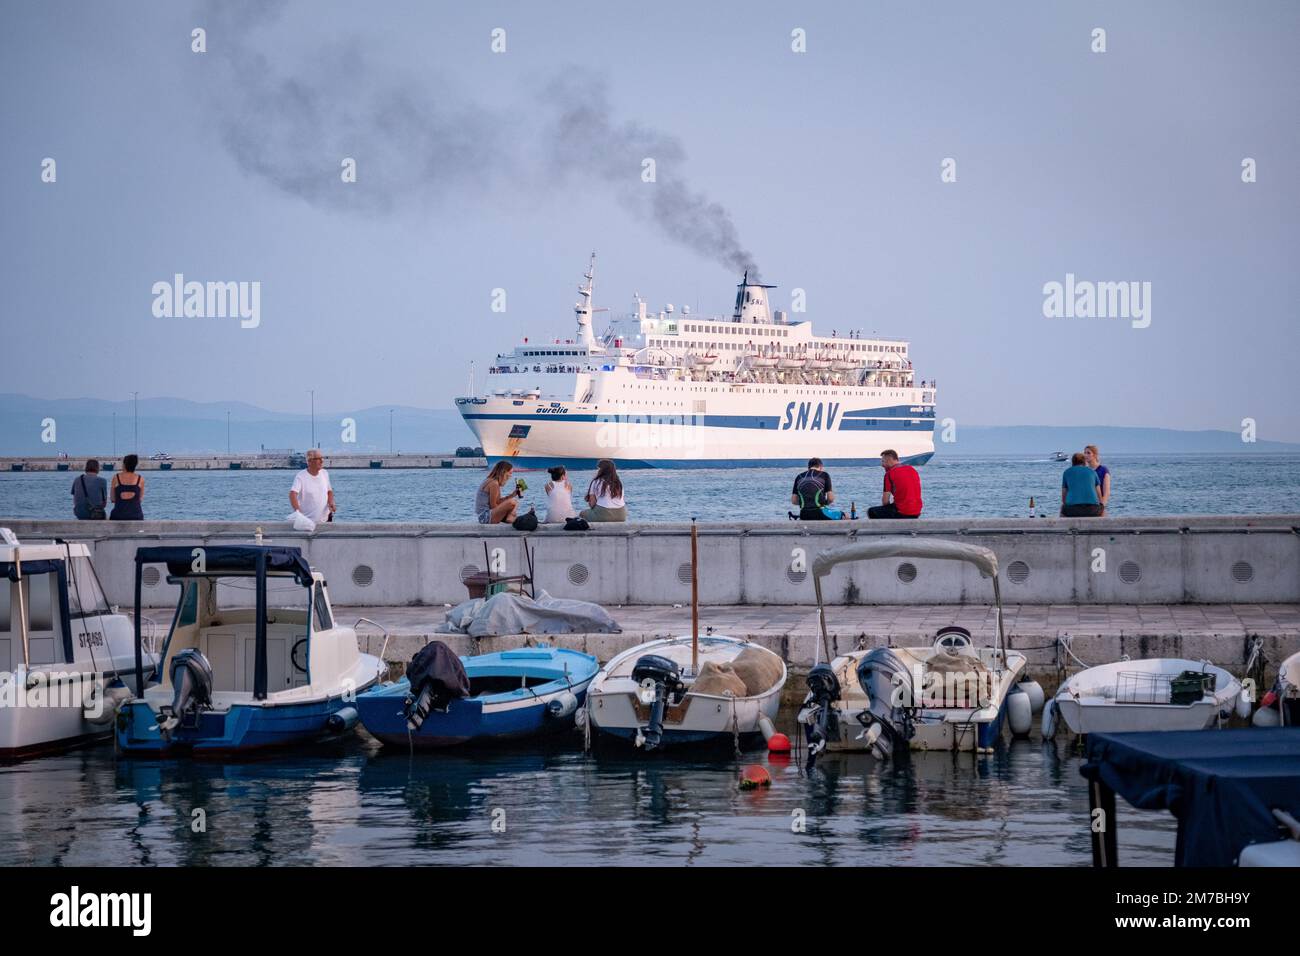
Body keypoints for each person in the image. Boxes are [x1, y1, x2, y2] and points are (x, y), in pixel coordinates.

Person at [868, 449, 922, 519]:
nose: (882, 465)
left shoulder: (889, 474)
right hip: (916, 512)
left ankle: (887, 529)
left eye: (883, 461)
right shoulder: (912, 469)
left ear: (889, 461)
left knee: (871, 511)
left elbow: (885, 501)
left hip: (903, 512)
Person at [290, 449, 335, 524]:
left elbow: (329, 491)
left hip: (326, 519)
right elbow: (292, 494)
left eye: (322, 458)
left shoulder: (324, 473)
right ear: (309, 461)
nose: (322, 461)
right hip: (308, 521)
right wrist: (298, 513)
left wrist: (331, 503)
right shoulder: (301, 476)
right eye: (319, 459)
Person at [1061, 452, 1103, 517]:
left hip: (1072, 509)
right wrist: (1101, 505)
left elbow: (1064, 496)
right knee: (1102, 509)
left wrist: (1065, 504)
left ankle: (1065, 526)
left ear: (1073, 462)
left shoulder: (1067, 472)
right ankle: (1101, 526)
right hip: (1092, 510)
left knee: (1062, 509)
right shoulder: (1093, 472)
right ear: (1084, 462)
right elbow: (1099, 495)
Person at [109, 454, 145, 521]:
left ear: (124, 464)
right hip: (136, 516)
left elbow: (112, 499)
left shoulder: (116, 477)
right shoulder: (140, 479)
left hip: (118, 515)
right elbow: (140, 500)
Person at [1084, 444, 1111, 515]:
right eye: (1085, 453)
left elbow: (1107, 492)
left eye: (1088, 453)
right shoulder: (1084, 471)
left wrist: (1101, 507)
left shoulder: (1103, 470)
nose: (1085, 455)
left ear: (1095, 455)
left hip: (1098, 505)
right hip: (1085, 506)